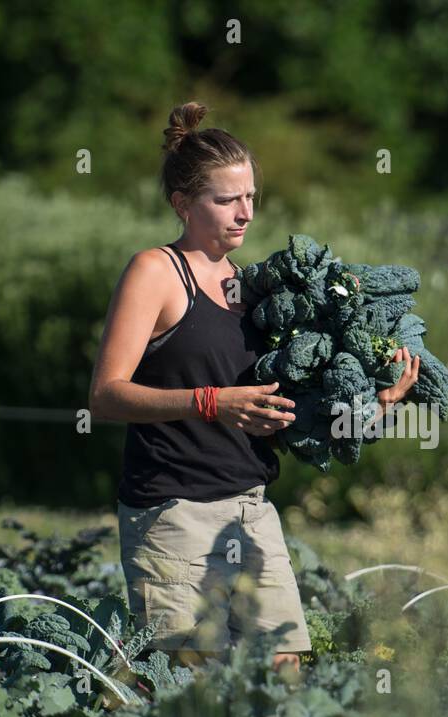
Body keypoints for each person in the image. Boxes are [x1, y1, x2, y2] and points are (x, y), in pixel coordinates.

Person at [88, 102, 421, 672]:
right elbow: (106, 395)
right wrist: (212, 403)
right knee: (197, 693)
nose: (244, 214)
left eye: (249, 198)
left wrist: (376, 405)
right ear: (182, 204)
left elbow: (291, 413)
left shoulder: (253, 288)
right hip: (172, 514)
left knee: (284, 674)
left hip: (250, 509)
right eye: (226, 200)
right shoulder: (156, 272)